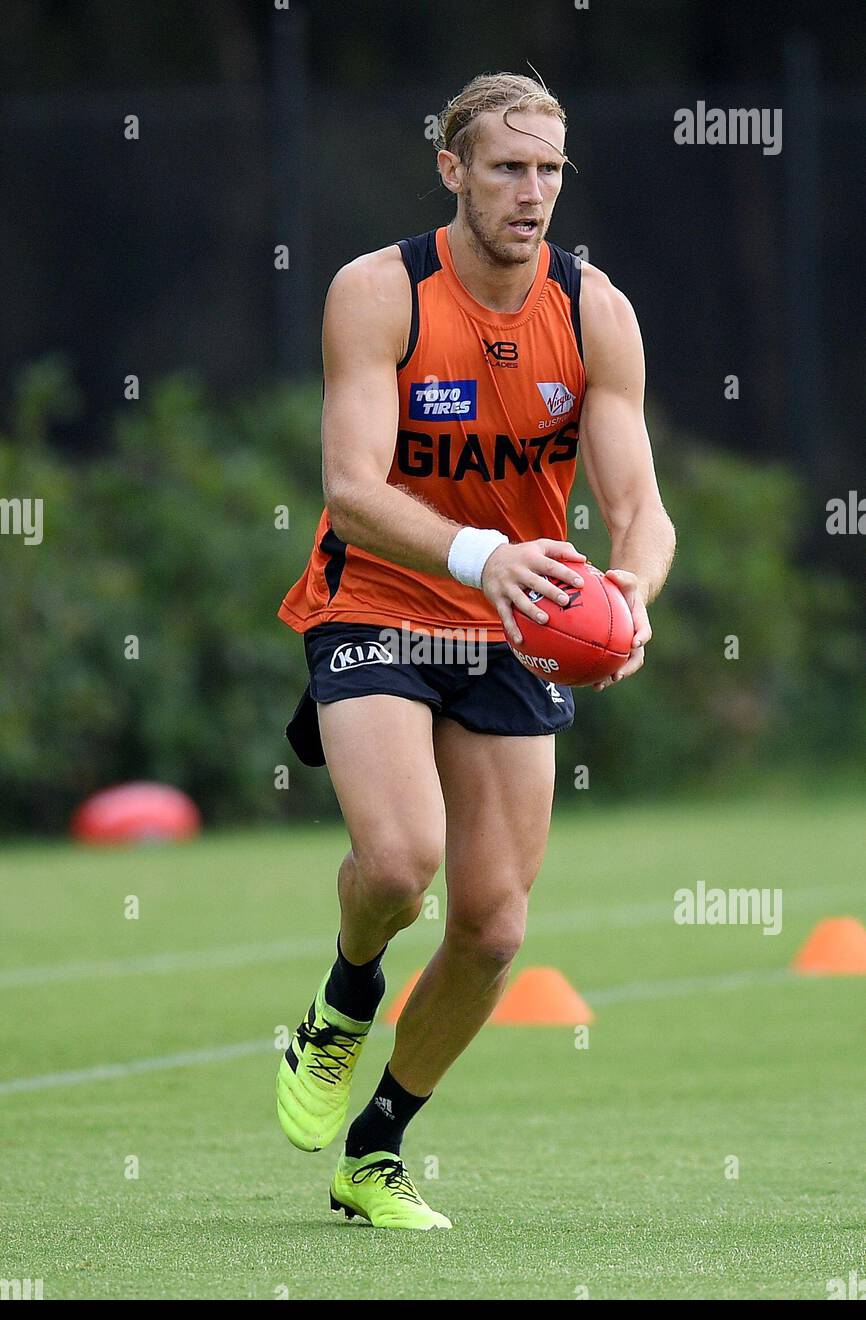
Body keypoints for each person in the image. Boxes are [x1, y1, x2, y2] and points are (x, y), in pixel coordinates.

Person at [275, 71, 676, 1229]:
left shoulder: (592, 308)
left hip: (510, 621)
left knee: (494, 927)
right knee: (399, 865)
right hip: (383, 600)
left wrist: (629, 590)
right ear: (450, 169)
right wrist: (476, 556)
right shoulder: (376, 291)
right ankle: (343, 997)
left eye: (549, 169)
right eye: (507, 167)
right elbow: (350, 490)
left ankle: (376, 1148)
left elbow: (639, 505)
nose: (532, 192)